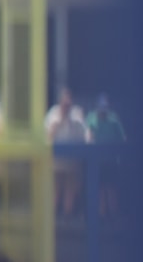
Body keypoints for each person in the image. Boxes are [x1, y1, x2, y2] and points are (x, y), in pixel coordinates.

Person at [45, 86, 91, 218]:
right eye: (64, 104)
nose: (66, 106)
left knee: (70, 190)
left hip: (72, 162)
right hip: (56, 162)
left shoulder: (76, 115)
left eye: (68, 104)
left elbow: (85, 135)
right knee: (55, 190)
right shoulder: (52, 114)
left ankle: (67, 217)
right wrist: (58, 122)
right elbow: (47, 137)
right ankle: (54, 219)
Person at [85, 94, 126, 220]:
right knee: (99, 188)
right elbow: (87, 135)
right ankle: (101, 216)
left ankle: (113, 216)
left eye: (104, 108)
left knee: (111, 188)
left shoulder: (114, 119)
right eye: (100, 108)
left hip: (111, 160)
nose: (102, 111)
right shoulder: (91, 118)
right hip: (96, 161)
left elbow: (123, 139)